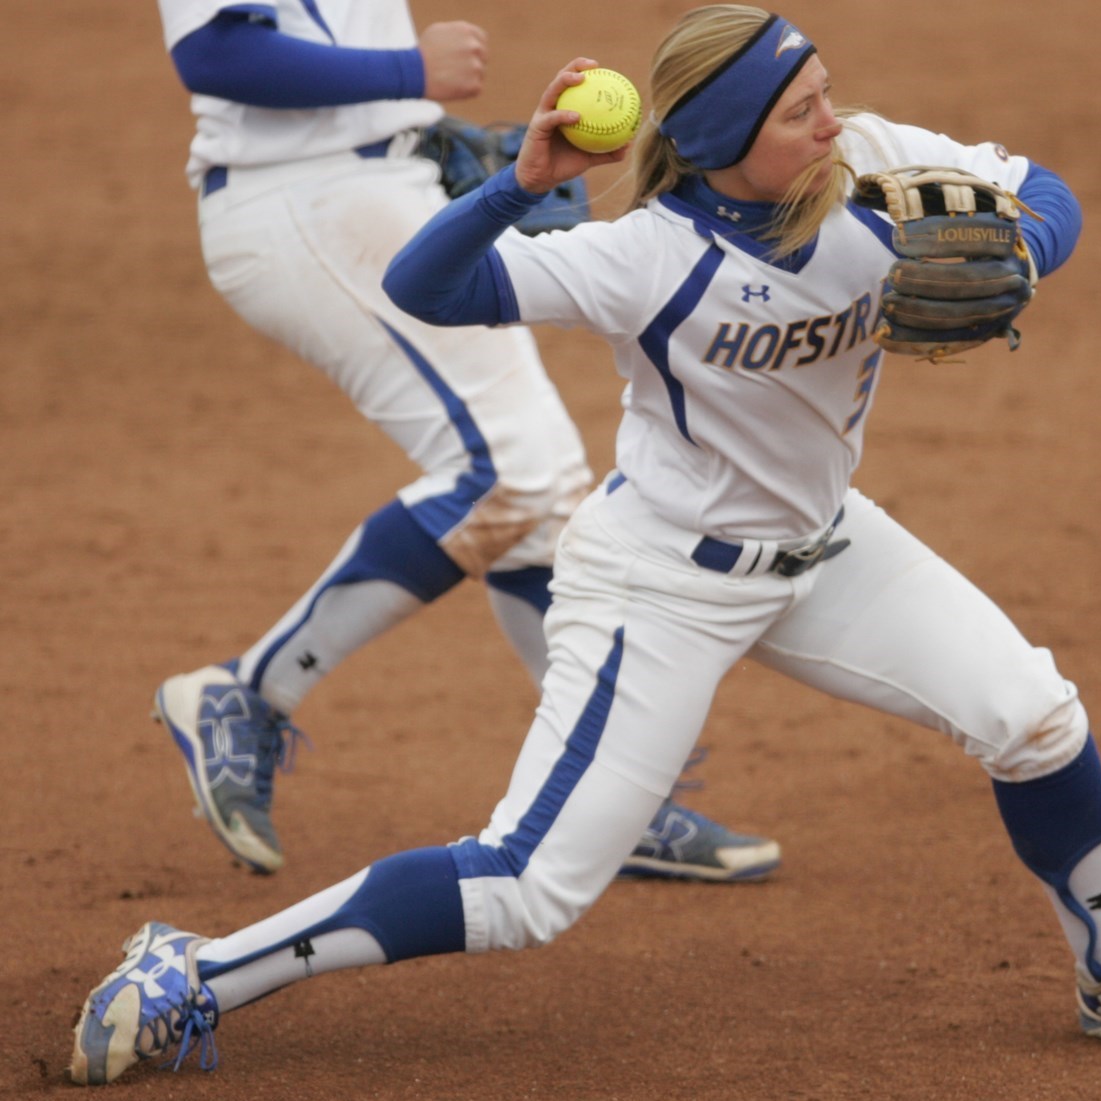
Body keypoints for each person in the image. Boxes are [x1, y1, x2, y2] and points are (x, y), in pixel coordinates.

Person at [69, 6, 1101, 1085]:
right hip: (657, 585)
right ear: (735, 139)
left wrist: (1031, 248)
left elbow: (1038, 185)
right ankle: (198, 969)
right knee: (524, 885)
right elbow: (426, 288)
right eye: (802, 112)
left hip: (829, 550)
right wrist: (515, 183)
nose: (832, 120)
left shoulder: (876, 165)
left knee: (1034, 716)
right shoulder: (644, 257)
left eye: (826, 91)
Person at [147, 0, 778, 883]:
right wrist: (411, 74)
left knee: (547, 492)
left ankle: (602, 794)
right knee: (511, 474)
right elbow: (214, 54)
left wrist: (417, 119)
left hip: (378, 188)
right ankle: (246, 692)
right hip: (305, 204)